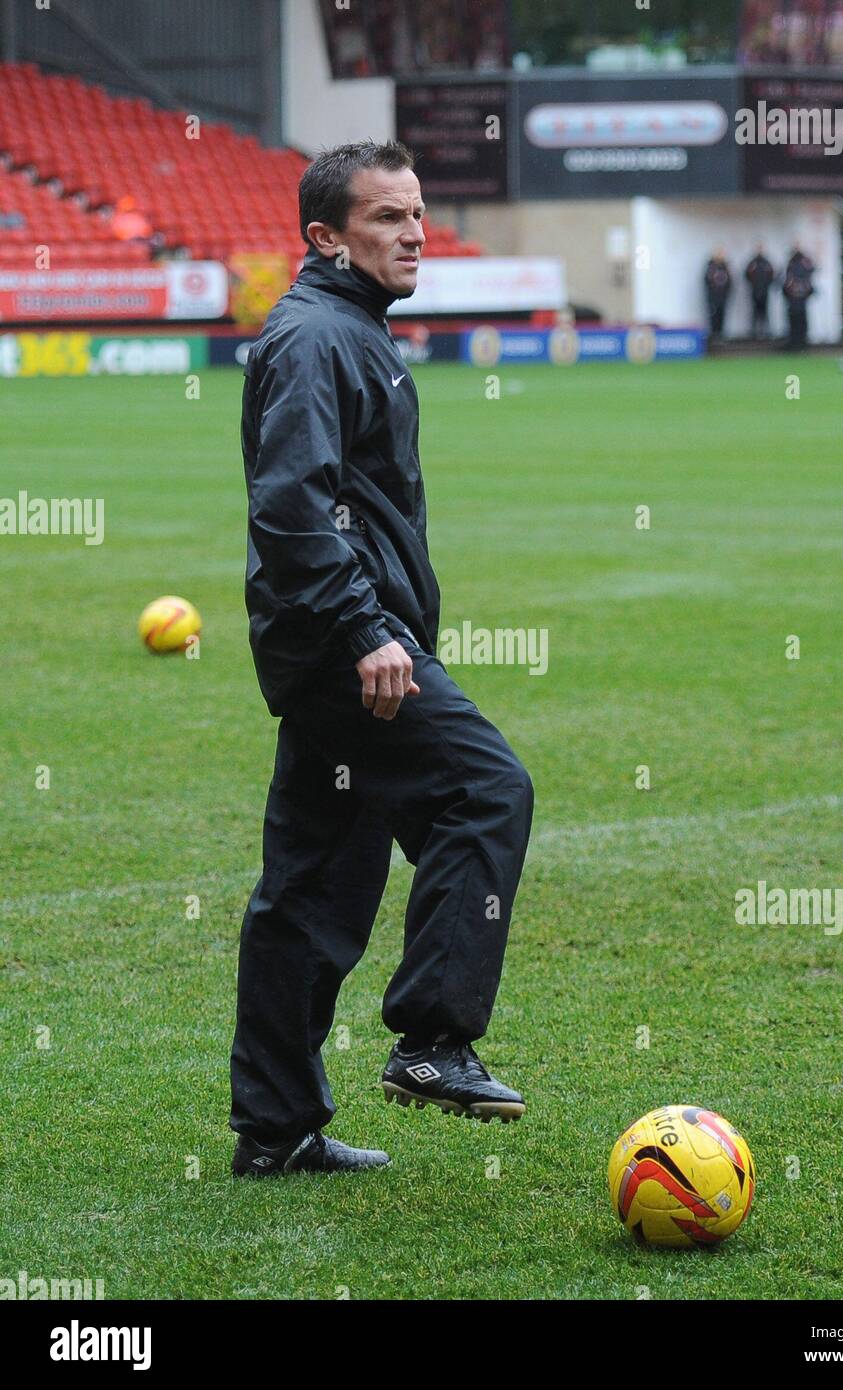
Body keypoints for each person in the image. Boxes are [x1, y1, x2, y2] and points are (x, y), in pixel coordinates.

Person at [230, 141, 535, 1178]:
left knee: (315, 887)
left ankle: (275, 1130)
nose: (412, 234)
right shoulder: (316, 336)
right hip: (347, 647)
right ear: (324, 237)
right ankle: (433, 1043)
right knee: (486, 788)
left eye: (415, 215)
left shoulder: (346, 327)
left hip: (337, 643)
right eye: (384, 220)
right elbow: (290, 509)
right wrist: (366, 630)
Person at [782, 245, 815, 350]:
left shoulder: (802, 264)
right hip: (795, 300)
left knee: (799, 321)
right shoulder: (792, 265)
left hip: (799, 300)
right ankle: (796, 343)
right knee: (797, 321)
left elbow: (807, 280)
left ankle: (800, 343)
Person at [744, 244, 775, 340]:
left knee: (765, 312)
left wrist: (766, 285)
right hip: (755, 291)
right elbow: (747, 275)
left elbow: (772, 275)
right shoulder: (752, 263)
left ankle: (766, 332)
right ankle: (753, 333)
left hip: (765, 291)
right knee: (754, 312)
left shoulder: (767, 263)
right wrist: (754, 285)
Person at [703, 249, 732, 343]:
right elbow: (707, 282)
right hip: (713, 298)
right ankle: (714, 336)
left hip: (723, 297)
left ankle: (721, 336)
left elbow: (730, 282)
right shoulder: (710, 267)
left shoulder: (726, 267)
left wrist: (726, 294)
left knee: (722, 316)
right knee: (713, 318)